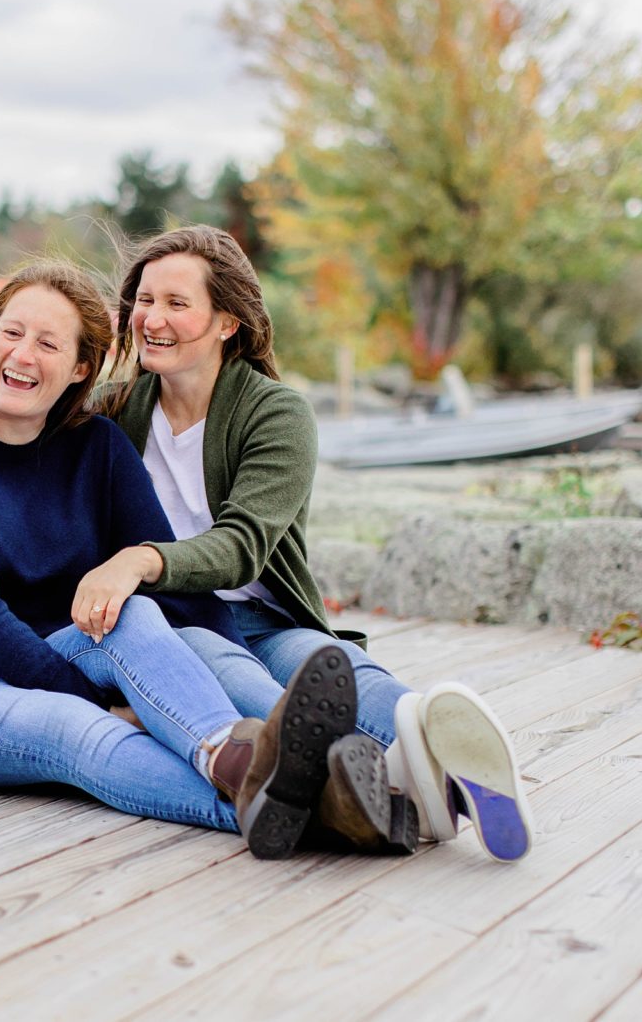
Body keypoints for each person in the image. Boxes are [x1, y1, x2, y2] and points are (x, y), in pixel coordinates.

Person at [0, 261, 414, 860]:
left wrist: (221, 667)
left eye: (48, 343)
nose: (23, 355)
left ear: (81, 368)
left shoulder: (97, 446)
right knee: (79, 729)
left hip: (38, 661)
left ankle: (311, 763)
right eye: (11, 333)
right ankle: (320, 808)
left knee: (135, 615)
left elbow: (183, 604)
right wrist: (109, 704)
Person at [79, 226, 533, 863]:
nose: (151, 319)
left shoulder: (276, 413)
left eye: (176, 304)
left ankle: (437, 743)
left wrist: (139, 559)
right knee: (265, 697)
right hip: (177, 625)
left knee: (336, 671)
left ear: (227, 321)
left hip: (266, 617)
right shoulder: (114, 410)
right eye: (144, 301)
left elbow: (241, 547)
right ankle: (405, 784)